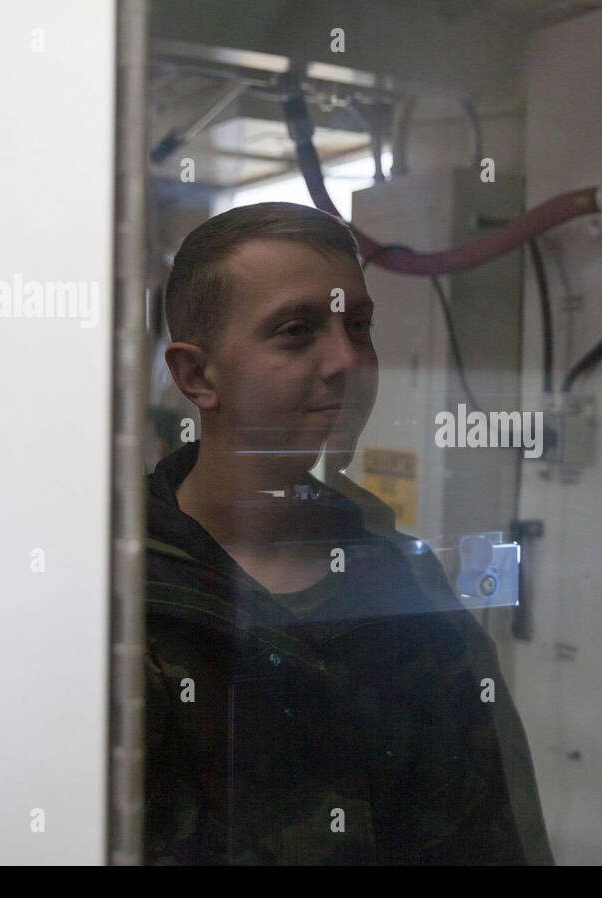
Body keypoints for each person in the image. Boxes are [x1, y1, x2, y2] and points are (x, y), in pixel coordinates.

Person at [142, 201, 553, 864]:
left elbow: (493, 838)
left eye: (357, 326)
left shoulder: (404, 580)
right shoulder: (126, 599)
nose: (347, 360)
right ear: (196, 375)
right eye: (297, 331)